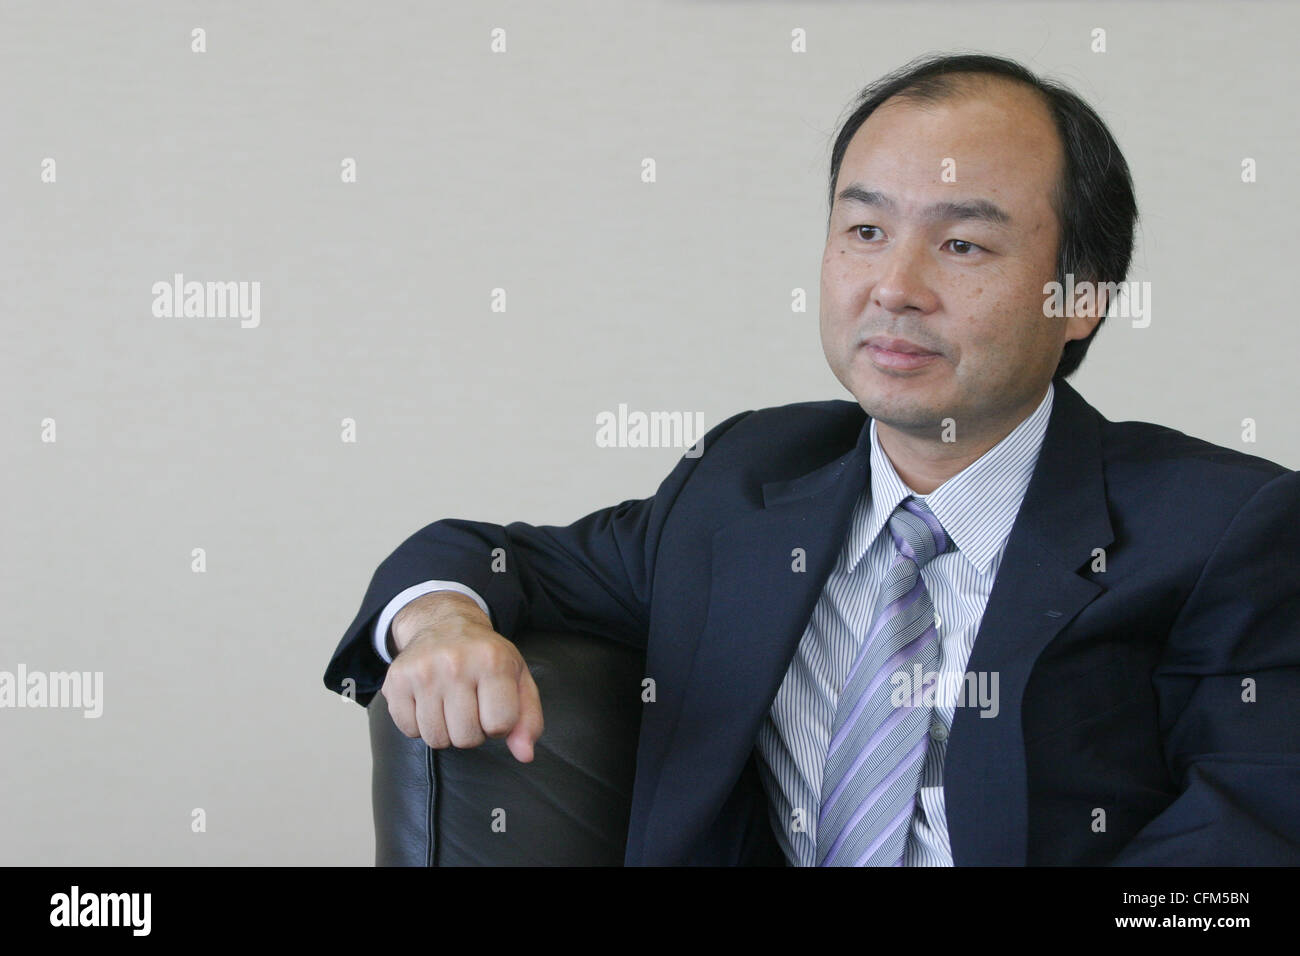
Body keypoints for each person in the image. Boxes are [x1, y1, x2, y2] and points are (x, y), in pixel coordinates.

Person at [323, 52, 1300, 865]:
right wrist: (446, 619)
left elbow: (1243, 843)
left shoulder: (1227, 528)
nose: (894, 286)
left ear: (1077, 295)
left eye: (962, 245)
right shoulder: (745, 482)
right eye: (864, 229)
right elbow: (496, 554)